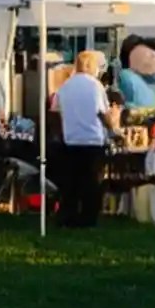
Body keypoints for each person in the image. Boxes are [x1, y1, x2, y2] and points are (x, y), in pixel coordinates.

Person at [53, 51, 119, 228]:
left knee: (72, 183)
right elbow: (103, 113)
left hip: (71, 140)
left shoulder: (65, 86)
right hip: (92, 141)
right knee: (91, 184)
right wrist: (113, 129)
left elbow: (55, 110)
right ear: (91, 66)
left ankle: (70, 217)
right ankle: (88, 219)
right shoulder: (95, 86)